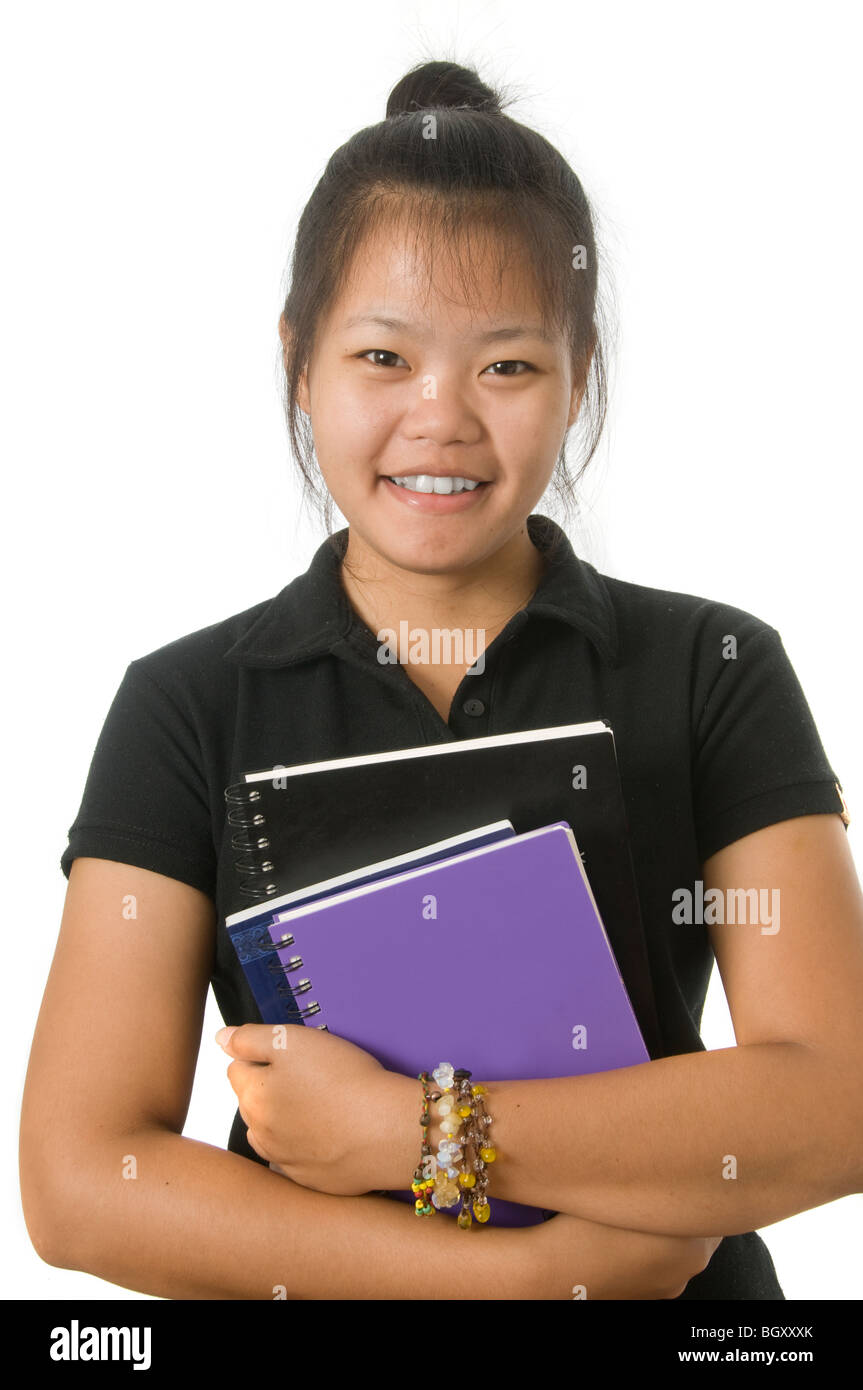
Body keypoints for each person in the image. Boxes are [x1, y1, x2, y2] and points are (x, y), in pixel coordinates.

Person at [20, 59, 863, 1302]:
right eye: (380, 357)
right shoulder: (189, 704)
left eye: (505, 367)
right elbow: (81, 1180)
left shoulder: (707, 668)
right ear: (299, 362)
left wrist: (405, 1131)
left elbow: (835, 1101)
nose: (440, 419)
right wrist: (510, 1285)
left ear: (577, 371)